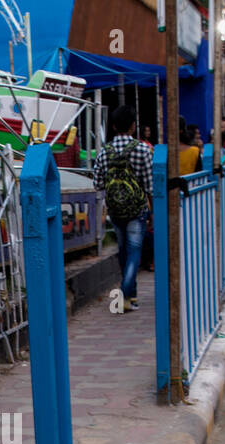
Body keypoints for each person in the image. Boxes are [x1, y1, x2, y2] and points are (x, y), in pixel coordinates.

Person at [93, 105, 154, 311]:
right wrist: (151, 210)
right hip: (137, 209)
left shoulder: (104, 152)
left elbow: (98, 183)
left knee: (123, 251)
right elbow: (149, 184)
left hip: (115, 210)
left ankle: (131, 297)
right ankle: (125, 291)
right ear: (133, 126)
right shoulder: (143, 149)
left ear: (113, 126)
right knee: (135, 251)